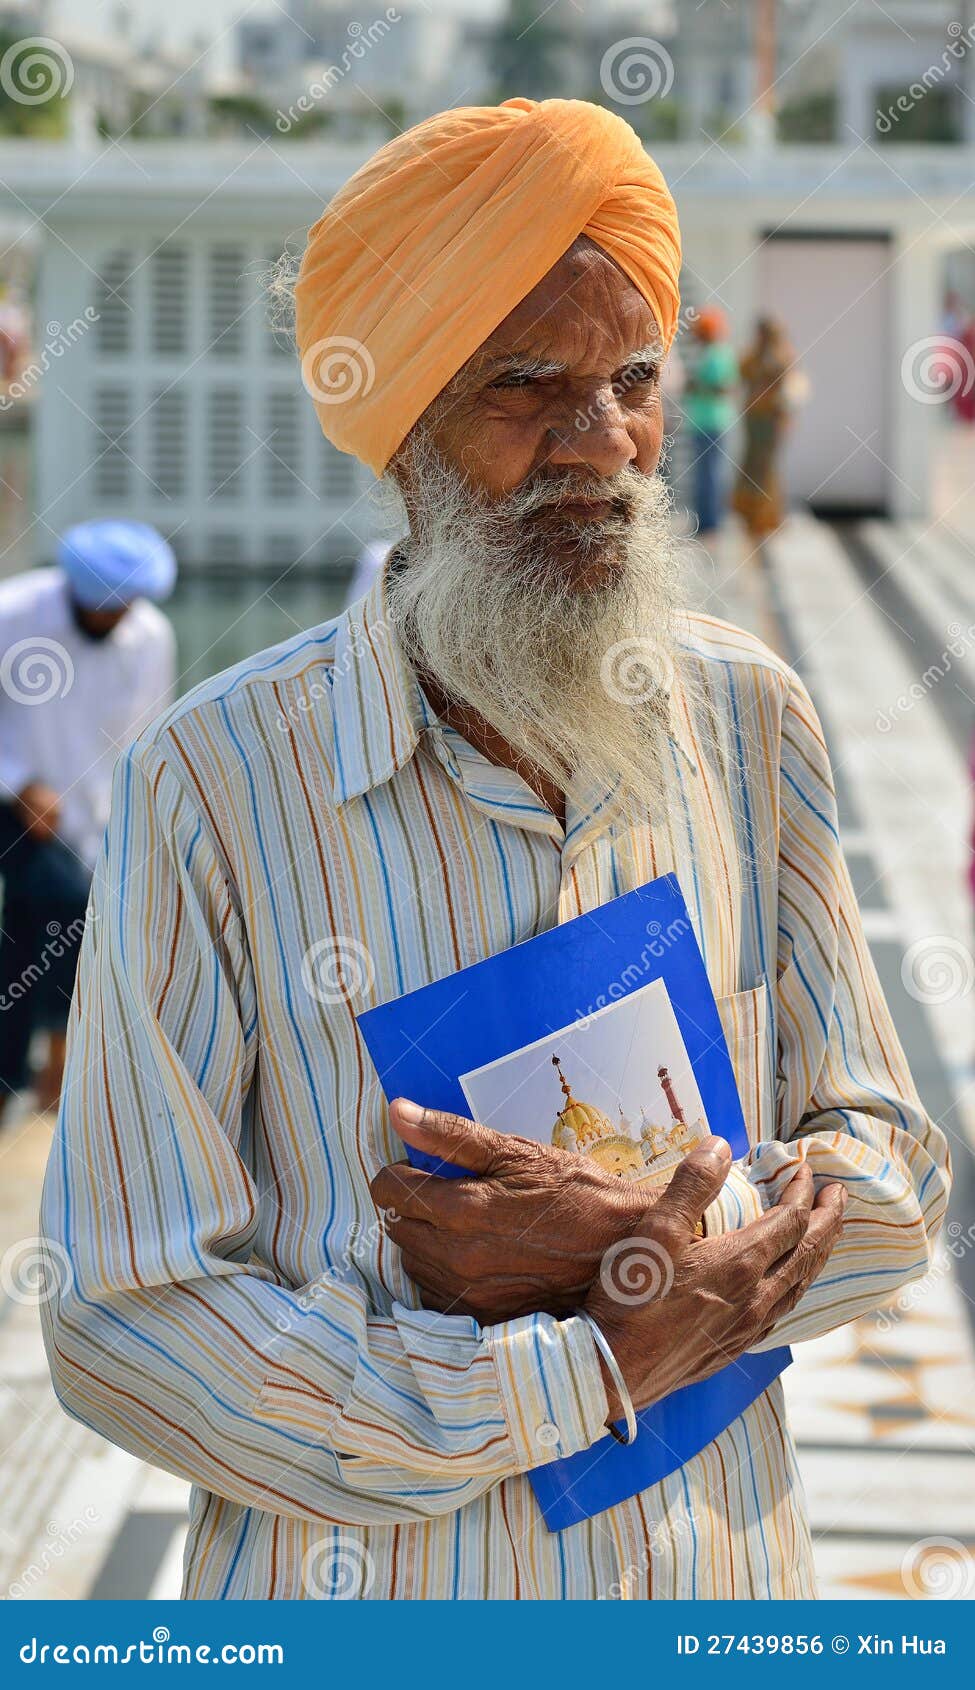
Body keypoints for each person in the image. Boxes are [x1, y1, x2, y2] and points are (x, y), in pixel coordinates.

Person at [41, 98, 948, 1601]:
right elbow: (125, 1317)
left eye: (634, 383)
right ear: (399, 429)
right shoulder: (214, 778)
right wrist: (578, 1368)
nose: (600, 445)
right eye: (527, 386)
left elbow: (893, 1164)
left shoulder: (740, 720)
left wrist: (656, 1245)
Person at [0, 521, 176, 1116]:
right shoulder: (12, 611)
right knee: (64, 907)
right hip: (11, 806)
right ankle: (46, 1066)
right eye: (104, 607)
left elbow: (147, 733)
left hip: (97, 817)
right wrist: (20, 780)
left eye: (124, 607)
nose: (114, 618)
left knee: (49, 933)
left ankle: (41, 1074)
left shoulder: (151, 635)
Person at [731, 315, 795, 541]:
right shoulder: (754, 356)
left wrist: (785, 417)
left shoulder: (780, 355)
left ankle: (766, 517)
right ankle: (749, 515)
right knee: (752, 463)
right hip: (753, 417)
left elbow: (789, 387)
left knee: (766, 466)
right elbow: (741, 371)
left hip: (771, 419)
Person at [682, 305, 738, 539]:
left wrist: (697, 386)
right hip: (701, 423)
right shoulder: (707, 353)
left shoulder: (718, 354)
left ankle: (711, 525)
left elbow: (725, 388)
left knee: (711, 476)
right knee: (704, 476)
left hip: (712, 423)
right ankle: (703, 522)